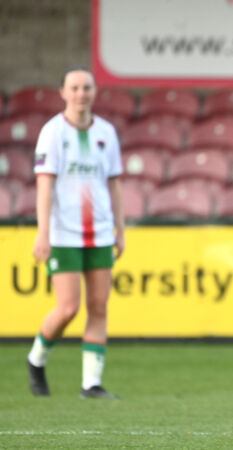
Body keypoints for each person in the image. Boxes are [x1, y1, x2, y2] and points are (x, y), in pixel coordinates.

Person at [27, 66, 124, 399]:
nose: (81, 93)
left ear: (94, 92)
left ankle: (90, 384)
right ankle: (36, 359)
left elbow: (114, 184)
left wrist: (120, 229)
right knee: (68, 308)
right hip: (64, 233)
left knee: (99, 306)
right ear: (63, 93)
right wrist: (43, 233)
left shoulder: (107, 133)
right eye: (75, 88)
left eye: (87, 87)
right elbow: (44, 186)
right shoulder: (52, 133)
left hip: (100, 233)